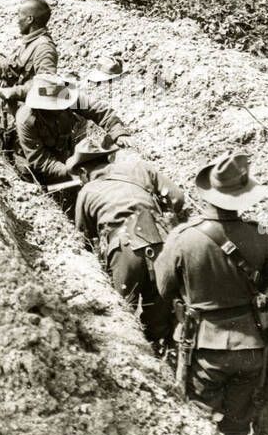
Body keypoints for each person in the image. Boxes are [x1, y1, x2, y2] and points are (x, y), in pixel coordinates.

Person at [155, 153, 268, 435]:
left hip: (204, 347)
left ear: (207, 194)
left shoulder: (182, 237)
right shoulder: (259, 236)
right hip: (251, 346)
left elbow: (163, 289)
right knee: (238, 426)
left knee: (201, 427)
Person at [69, 132, 185, 345]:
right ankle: (161, 351)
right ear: (108, 158)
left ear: (84, 172)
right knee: (160, 313)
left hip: (125, 249)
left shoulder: (86, 191)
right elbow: (177, 197)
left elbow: (82, 239)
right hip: (162, 244)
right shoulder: (139, 167)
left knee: (123, 317)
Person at [14, 74, 131, 187]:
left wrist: (118, 132)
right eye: (54, 107)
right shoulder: (27, 120)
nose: (62, 108)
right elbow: (41, 161)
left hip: (63, 148)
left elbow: (98, 109)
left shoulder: (68, 97)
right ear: (42, 107)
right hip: (35, 159)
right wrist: (72, 173)